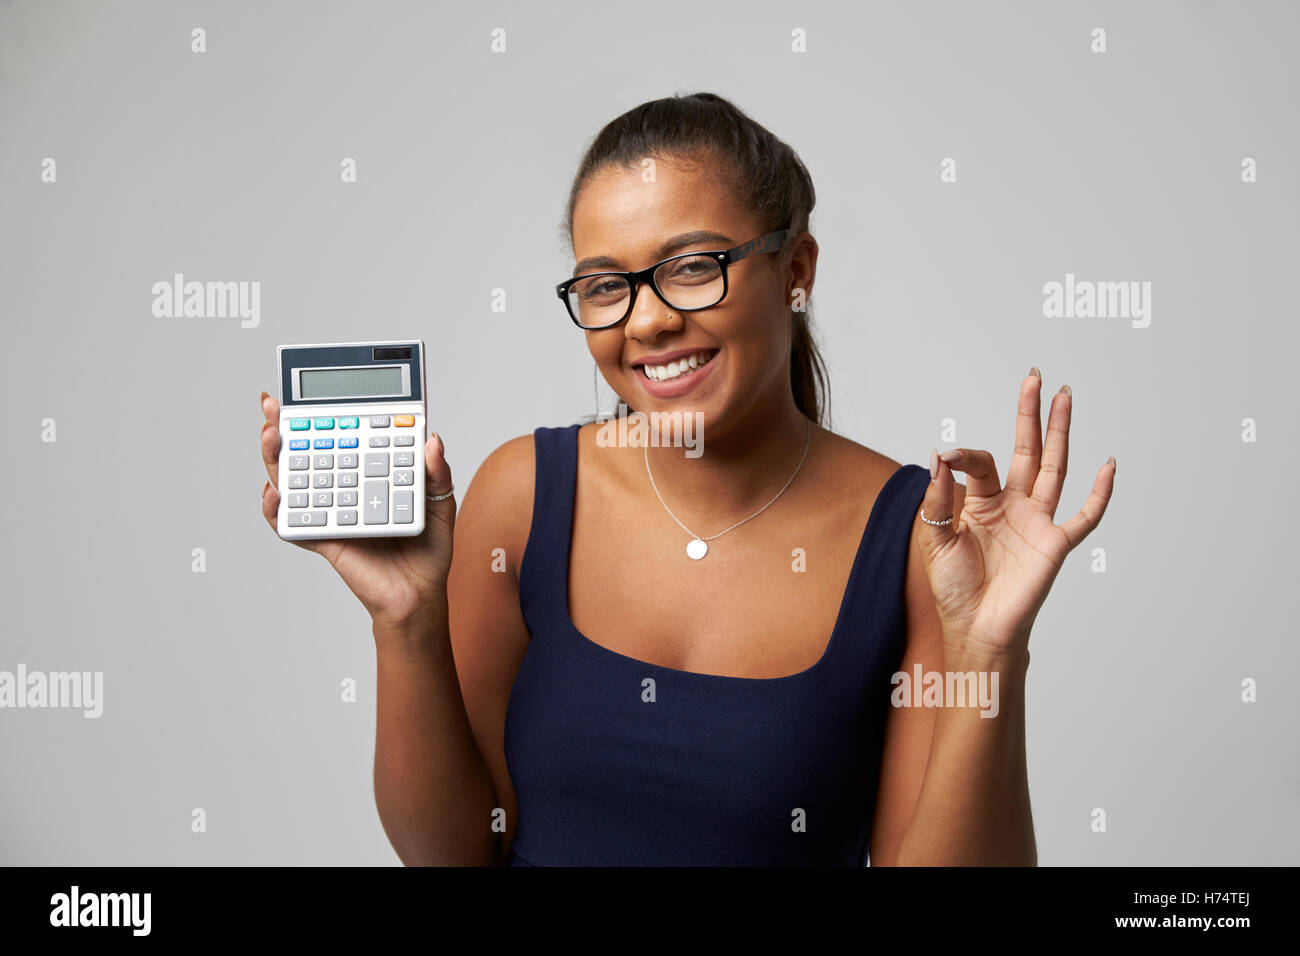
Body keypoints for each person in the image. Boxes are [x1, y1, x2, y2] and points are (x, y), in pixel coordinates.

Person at [257, 92, 1115, 866]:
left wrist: (988, 654)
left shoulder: (919, 542)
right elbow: (453, 856)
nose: (652, 319)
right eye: (606, 285)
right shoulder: (522, 495)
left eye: (694, 266)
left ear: (797, 270)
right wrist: (406, 623)